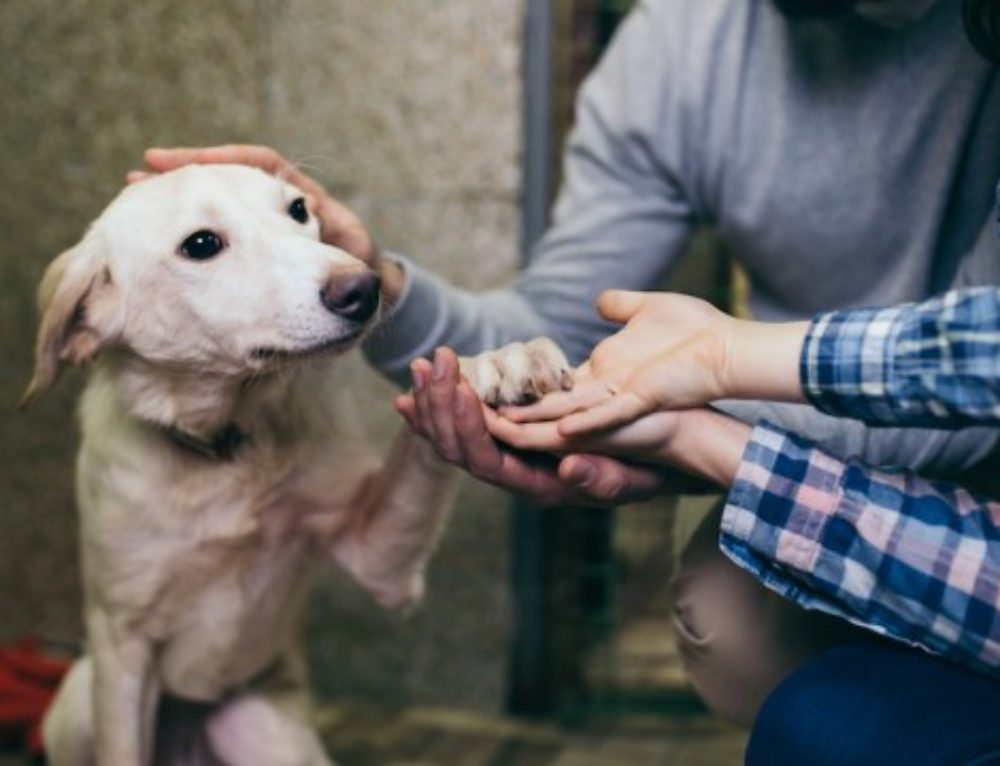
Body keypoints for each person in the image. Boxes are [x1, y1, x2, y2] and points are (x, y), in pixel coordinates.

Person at [141, 0, 1000, 750]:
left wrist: (698, 417)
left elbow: (974, 361)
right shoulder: (680, 44)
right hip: (791, 410)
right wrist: (379, 287)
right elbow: (553, 324)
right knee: (740, 645)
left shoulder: (980, 39)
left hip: (944, 427)